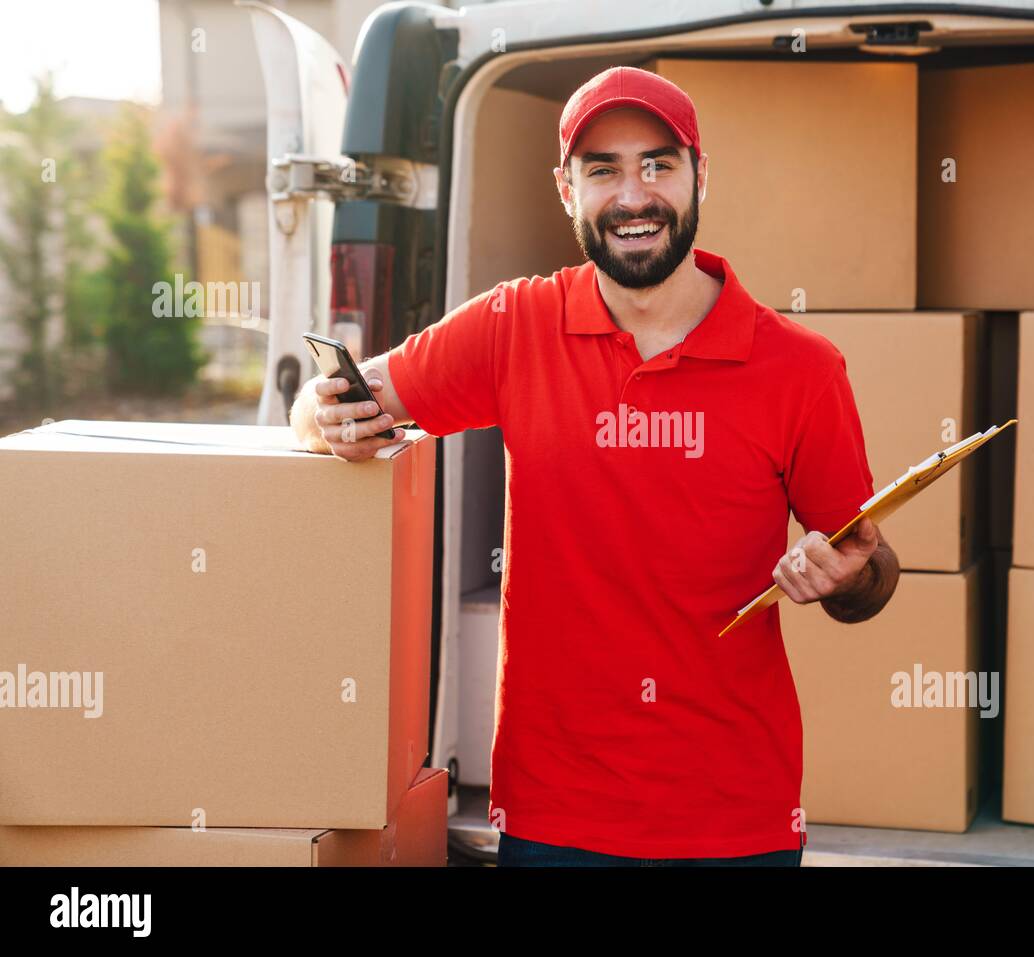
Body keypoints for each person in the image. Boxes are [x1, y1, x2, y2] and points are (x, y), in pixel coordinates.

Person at [291, 66, 900, 867]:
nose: (633, 194)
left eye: (657, 164)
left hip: (736, 818)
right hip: (556, 815)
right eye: (602, 169)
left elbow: (871, 572)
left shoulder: (801, 368)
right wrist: (323, 416)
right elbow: (330, 399)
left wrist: (847, 576)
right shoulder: (516, 325)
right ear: (565, 189)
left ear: (699, 175)